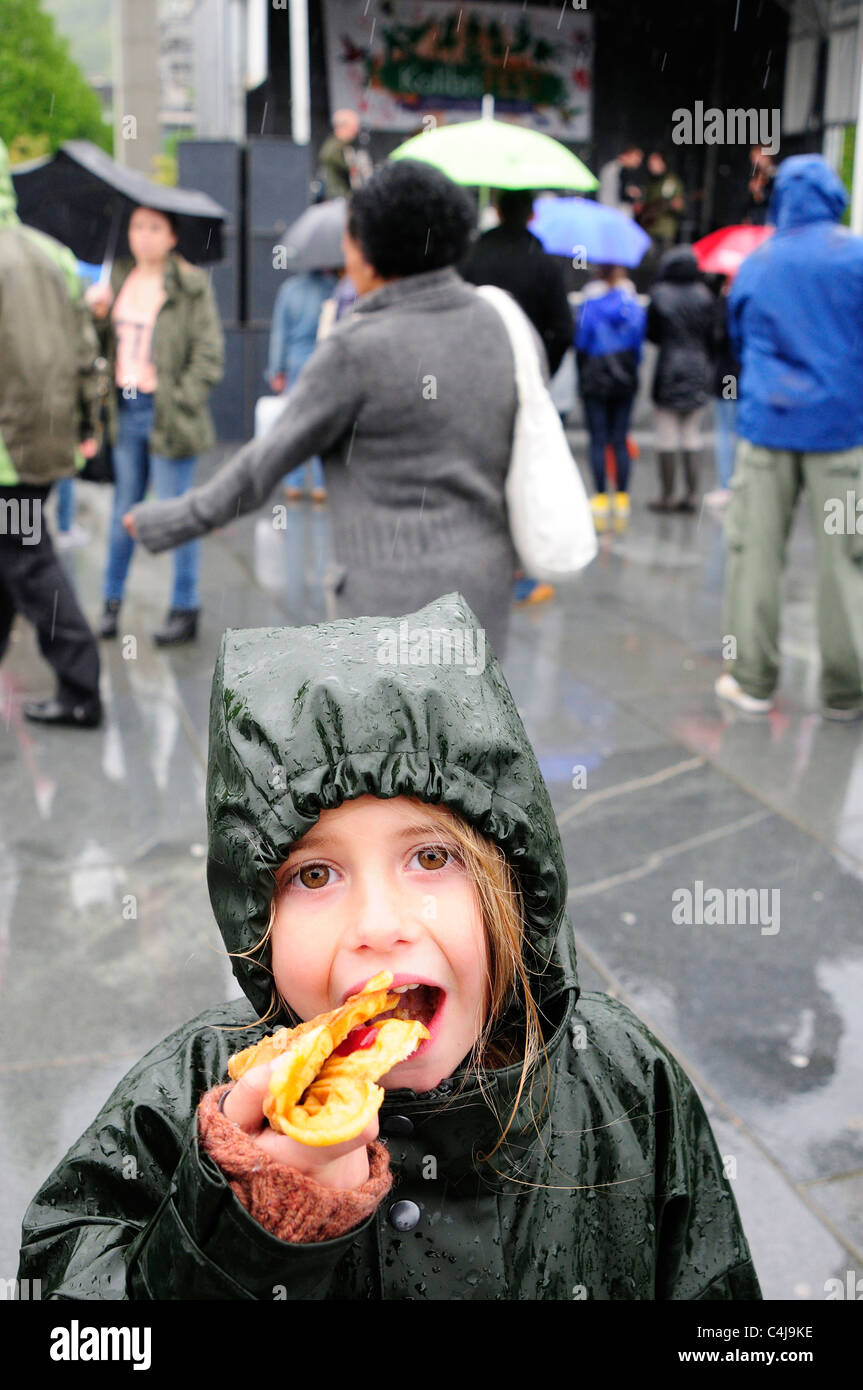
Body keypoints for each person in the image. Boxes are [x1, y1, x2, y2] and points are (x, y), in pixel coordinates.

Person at [18, 593, 762, 1299]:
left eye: (431, 859)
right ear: (255, 918)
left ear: (509, 883)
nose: (379, 923)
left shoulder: (627, 1081)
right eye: (314, 874)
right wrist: (245, 1229)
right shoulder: (187, 1098)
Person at [123, 161, 552, 659]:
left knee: (391, 736)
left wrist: (170, 519)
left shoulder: (356, 349)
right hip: (484, 585)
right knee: (463, 731)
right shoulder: (503, 322)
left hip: (390, 598)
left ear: (368, 252)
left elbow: (263, 467)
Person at [716, 155, 863, 719]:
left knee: (755, 554)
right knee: (846, 560)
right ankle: (845, 691)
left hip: (767, 427)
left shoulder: (759, 262)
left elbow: (736, 335)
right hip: (842, 430)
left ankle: (752, 679)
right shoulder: (854, 257)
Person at [85, 206, 224, 647]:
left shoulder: (190, 284)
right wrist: (99, 315)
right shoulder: (119, 279)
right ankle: (111, 603)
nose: (142, 236)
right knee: (124, 509)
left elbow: (209, 354)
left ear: (171, 235)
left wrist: (180, 399)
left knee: (176, 513)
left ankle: (184, 607)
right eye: (136, 226)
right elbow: (101, 347)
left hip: (168, 412)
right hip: (124, 412)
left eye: (153, 228)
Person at [0, 138, 103, 729]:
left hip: (5, 459)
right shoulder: (53, 255)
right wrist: (87, 429)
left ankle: (81, 688)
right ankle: (79, 685)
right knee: (14, 561)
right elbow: (86, 354)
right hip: (38, 447)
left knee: (29, 564)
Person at [459, 187, 574, 380]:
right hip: (527, 373)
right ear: (531, 215)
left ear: (497, 211)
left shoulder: (470, 258)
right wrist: (542, 371)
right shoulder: (546, 265)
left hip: (476, 371)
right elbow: (563, 331)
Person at [645, 246, 714, 513]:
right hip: (697, 368)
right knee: (691, 434)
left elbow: (651, 333)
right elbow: (711, 335)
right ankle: (692, 494)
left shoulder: (660, 295)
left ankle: (667, 494)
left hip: (668, 369)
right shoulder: (704, 296)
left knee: (666, 435)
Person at [575, 265, 647, 520]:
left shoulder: (589, 305)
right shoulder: (633, 306)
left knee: (598, 438)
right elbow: (639, 344)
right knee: (620, 437)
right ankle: (622, 496)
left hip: (595, 378)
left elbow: (581, 341)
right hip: (625, 378)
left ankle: (600, 496)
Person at [266, 268, 338, 502]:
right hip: (324, 360)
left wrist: (276, 369)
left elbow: (280, 332)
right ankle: (320, 484)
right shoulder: (335, 289)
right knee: (322, 424)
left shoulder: (290, 290)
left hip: (295, 364)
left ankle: (293, 483)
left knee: (295, 424)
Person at [704, 276, 740, 510]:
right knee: (735, 431)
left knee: (726, 431)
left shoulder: (727, 303)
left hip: (728, 374)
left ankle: (728, 485)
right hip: (743, 374)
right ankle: (734, 483)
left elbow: (717, 339)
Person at [316, 110, 373, 201]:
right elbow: (327, 156)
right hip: (337, 196)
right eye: (353, 127)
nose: (355, 131)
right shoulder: (334, 146)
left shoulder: (346, 147)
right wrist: (350, 167)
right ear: (343, 127)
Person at [637, 151, 685, 253]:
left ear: (663, 163)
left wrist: (676, 206)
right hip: (648, 227)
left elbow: (679, 205)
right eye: (650, 164)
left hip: (664, 230)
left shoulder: (671, 181)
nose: (651, 167)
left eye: (654, 163)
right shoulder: (648, 181)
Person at [598, 144, 644, 218]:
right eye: (637, 157)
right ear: (628, 154)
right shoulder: (613, 170)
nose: (639, 161)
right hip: (613, 218)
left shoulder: (624, 171)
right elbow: (608, 199)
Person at [741, 145, 777, 227]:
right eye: (753, 157)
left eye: (757, 157)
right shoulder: (755, 175)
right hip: (755, 221)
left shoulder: (774, 174)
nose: (754, 161)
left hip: (769, 221)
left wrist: (760, 192)